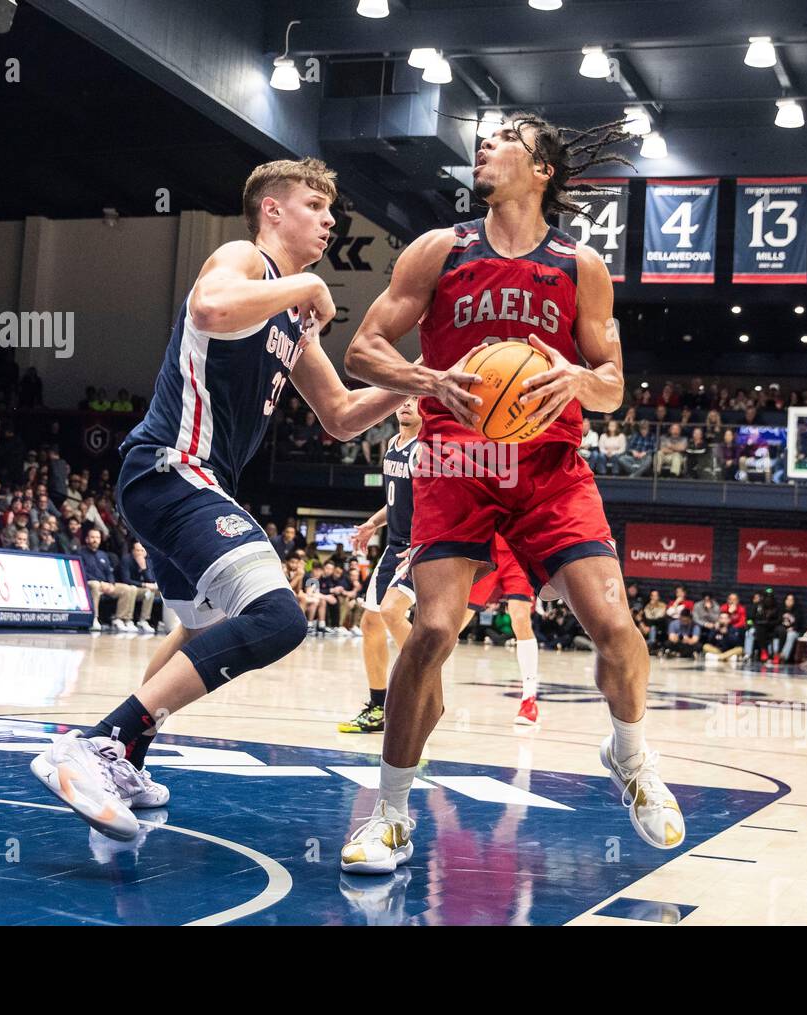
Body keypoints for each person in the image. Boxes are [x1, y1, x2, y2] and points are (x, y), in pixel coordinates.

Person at [339, 113, 682, 874]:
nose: (484, 149)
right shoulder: (440, 250)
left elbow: (613, 387)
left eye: (503, 141)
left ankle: (629, 755)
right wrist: (428, 379)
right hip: (456, 464)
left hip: (549, 470)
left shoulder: (579, 266)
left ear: (542, 170)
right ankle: (391, 812)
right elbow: (362, 349)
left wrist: (577, 378)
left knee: (617, 628)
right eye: (481, 142)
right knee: (430, 629)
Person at [29, 157, 407, 841]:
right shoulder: (244, 260)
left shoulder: (290, 314)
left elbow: (343, 416)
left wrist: (422, 382)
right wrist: (309, 281)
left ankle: (124, 758)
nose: (329, 220)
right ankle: (94, 743)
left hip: (182, 483)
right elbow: (208, 306)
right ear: (272, 210)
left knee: (198, 632)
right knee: (278, 619)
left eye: (332, 210)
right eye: (315, 206)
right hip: (175, 468)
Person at [339, 399, 421, 733]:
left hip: (419, 548)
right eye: (404, 398)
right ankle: (378, 707)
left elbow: (440, 503)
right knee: (371, 623)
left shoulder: (428, 449)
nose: (407, 404)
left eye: (416, 399)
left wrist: (422, 544)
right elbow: (395, 499)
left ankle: (425, 680)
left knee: (391, 612)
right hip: (393, 546)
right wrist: (373, 523)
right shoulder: (392, 444)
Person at [463, 533, 541, 725]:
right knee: (456, 622)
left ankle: (529, 700)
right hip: (485, 550)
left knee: (521, 617)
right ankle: (422, 692)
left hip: (518, 553)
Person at [80, 527, 138, 633]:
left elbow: (109, 572)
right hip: (89, 583)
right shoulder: (80, 553)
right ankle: (94, 618)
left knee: (128, 589)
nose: (95, 540)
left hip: (106, 584)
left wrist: (111, 583)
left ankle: (120, 619)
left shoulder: (103, 554)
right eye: (92, 537)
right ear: (87, 539)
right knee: (95, 585)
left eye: (97, 537)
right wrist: (102, 583)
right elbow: (82, 572)